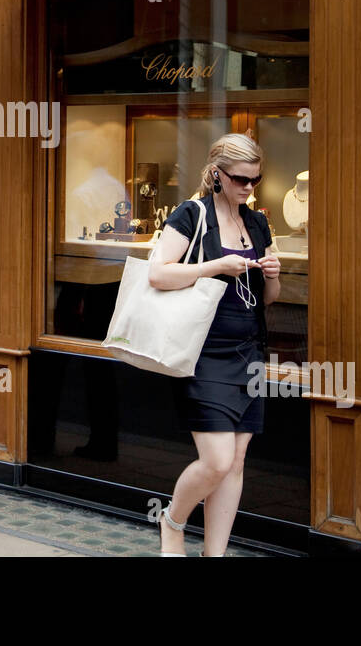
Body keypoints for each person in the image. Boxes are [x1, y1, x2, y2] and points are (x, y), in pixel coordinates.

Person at [148, 132, 281, 556]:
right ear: (217, 174)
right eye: (241, 179)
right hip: (204, 353)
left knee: (237, 461)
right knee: (217, 461)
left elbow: (268, 298)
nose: (248, 188)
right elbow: (158, 274)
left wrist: (275, 275)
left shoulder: (258, 222)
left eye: (255, 180)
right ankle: (172, 522)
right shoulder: (192, 214)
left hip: (249, 352)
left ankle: (214, 554)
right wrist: (215, 267)